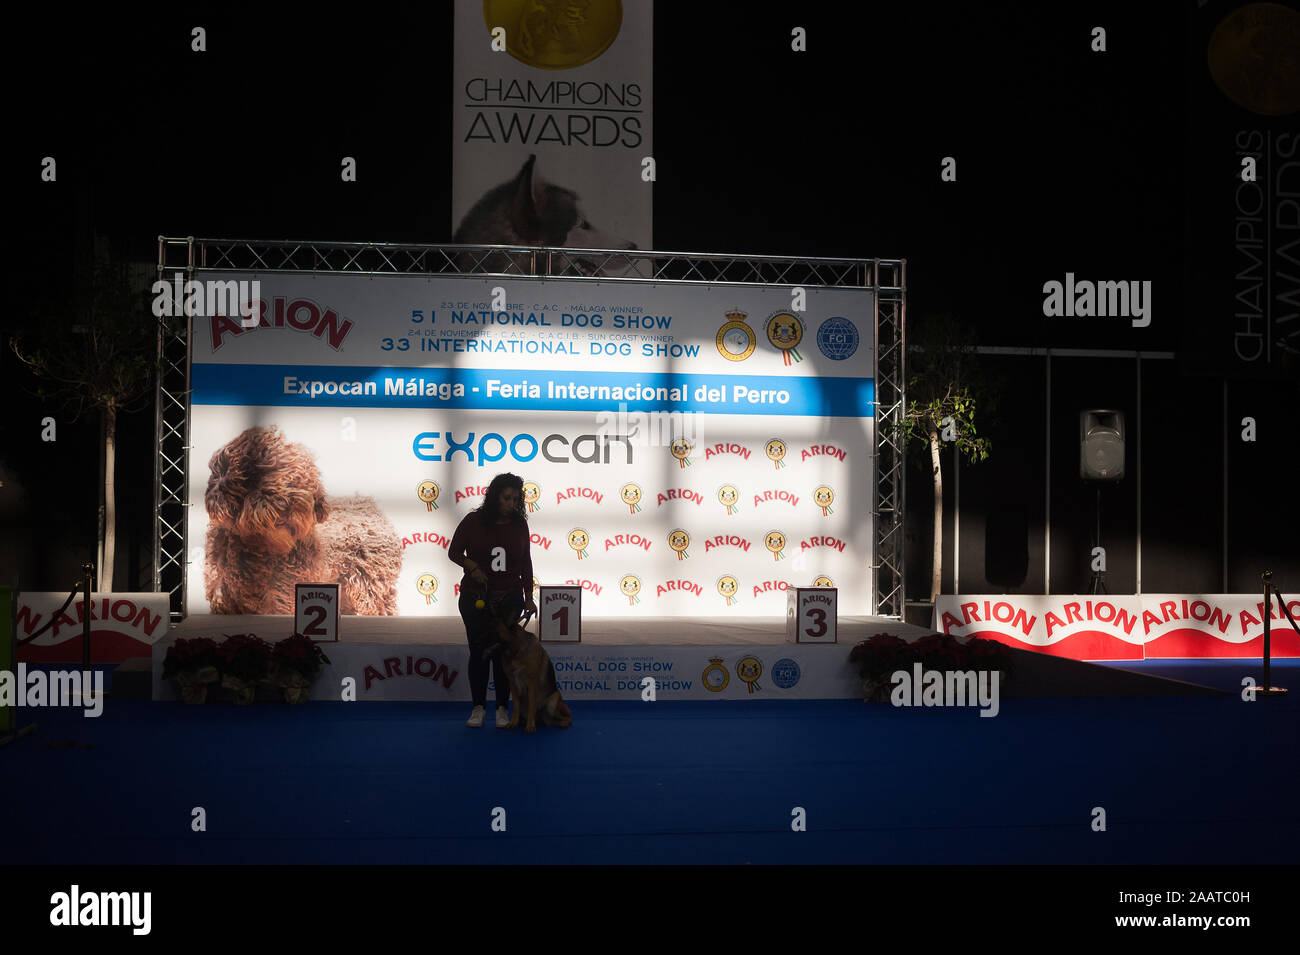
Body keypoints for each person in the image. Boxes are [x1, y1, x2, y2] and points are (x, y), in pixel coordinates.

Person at [447, 472, 538, 728]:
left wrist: (529, 596)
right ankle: (478, 708)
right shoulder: (473, 521)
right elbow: (454, 552)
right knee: (479, 652)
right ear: (494, 496)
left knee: (502, 654)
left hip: (510, 598)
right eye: (506, 498)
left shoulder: (520, 524)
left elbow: (525, 562)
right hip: (476, 597)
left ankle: (501, 708)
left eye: (515, 499)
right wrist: (471, 565)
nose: (511, 503)